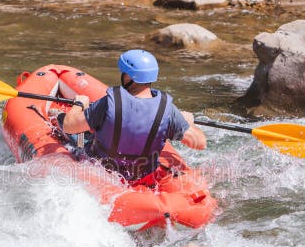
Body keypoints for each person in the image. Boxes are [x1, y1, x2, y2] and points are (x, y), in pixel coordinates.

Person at [62, 49, 206, 183]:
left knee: (61, 120)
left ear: (129, 77)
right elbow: (200, 143)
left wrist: (79, 104)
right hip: (141, 175)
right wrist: (188, 123)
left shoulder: (109, 103)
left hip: (101, 170)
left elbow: (69, 126)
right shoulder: (168, 110)